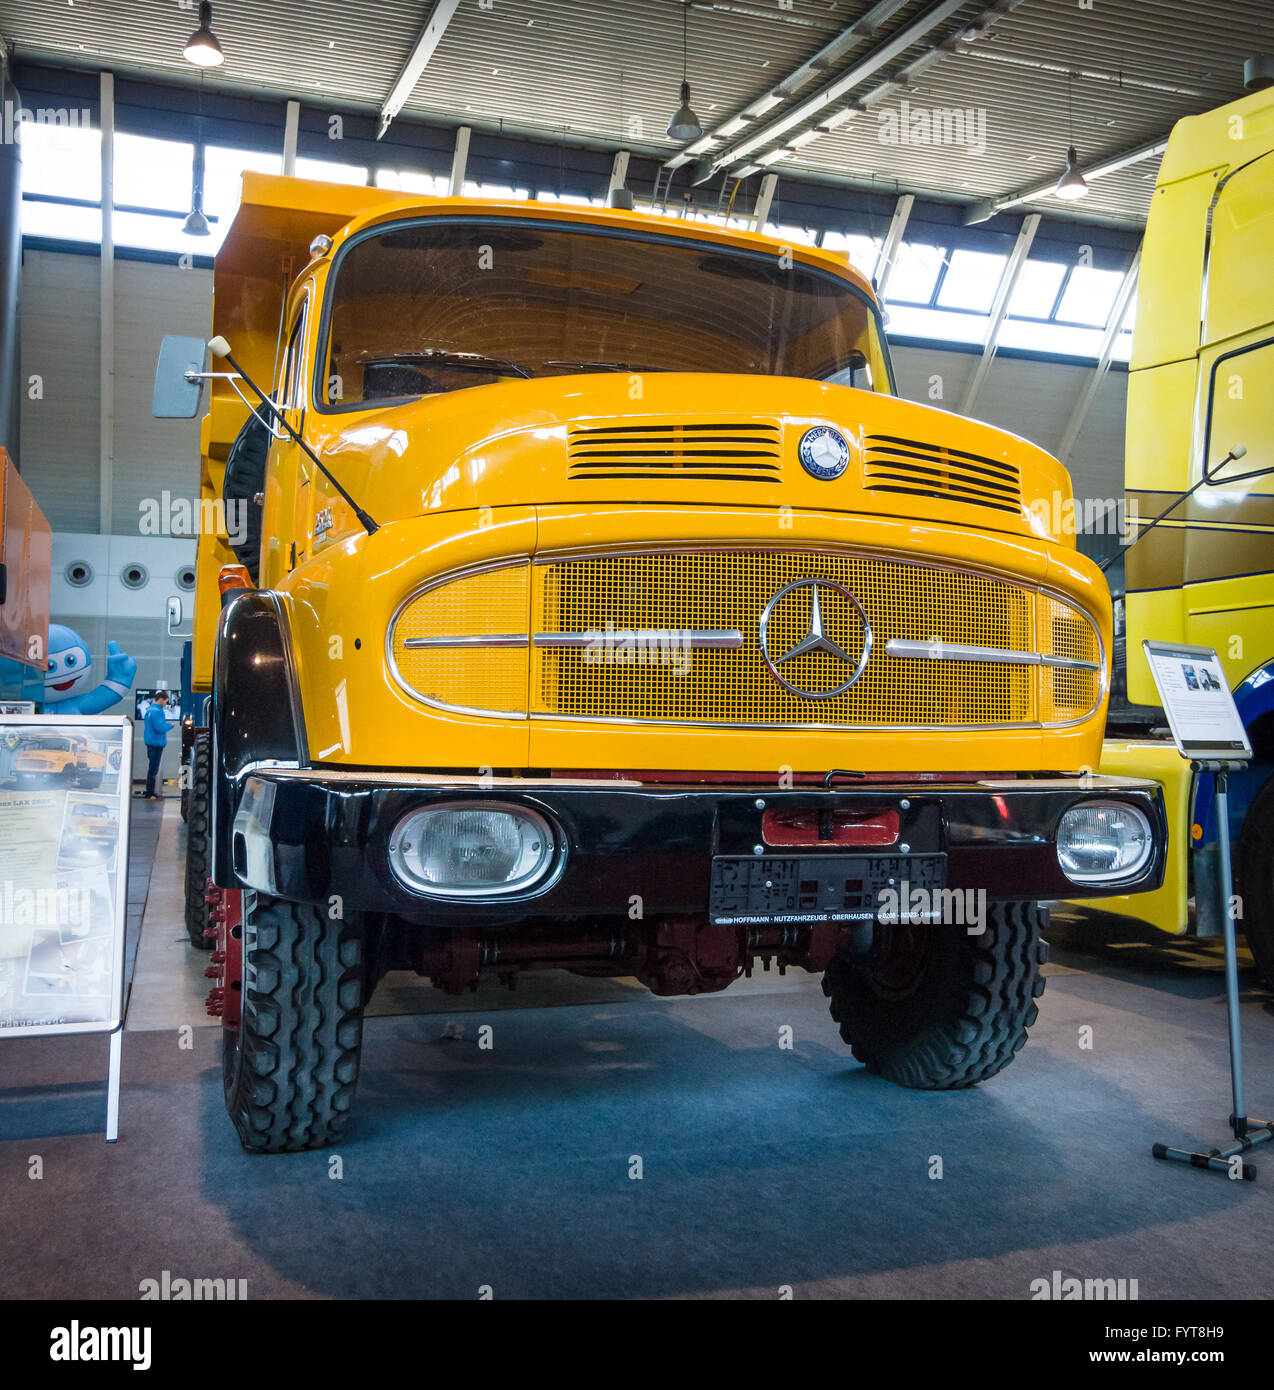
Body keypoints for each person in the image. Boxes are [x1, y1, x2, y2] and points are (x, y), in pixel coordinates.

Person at [142, 689, 169, 800]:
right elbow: (160, 727)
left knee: (152, 768)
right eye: (166, 701)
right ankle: (150, 793)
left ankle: (150, 790)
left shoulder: (149, 711)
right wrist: (170, 725)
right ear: (161, 700)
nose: (166, 704)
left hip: (150, 742)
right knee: (153, 769)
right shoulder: (157, 711)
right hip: (156, 743)